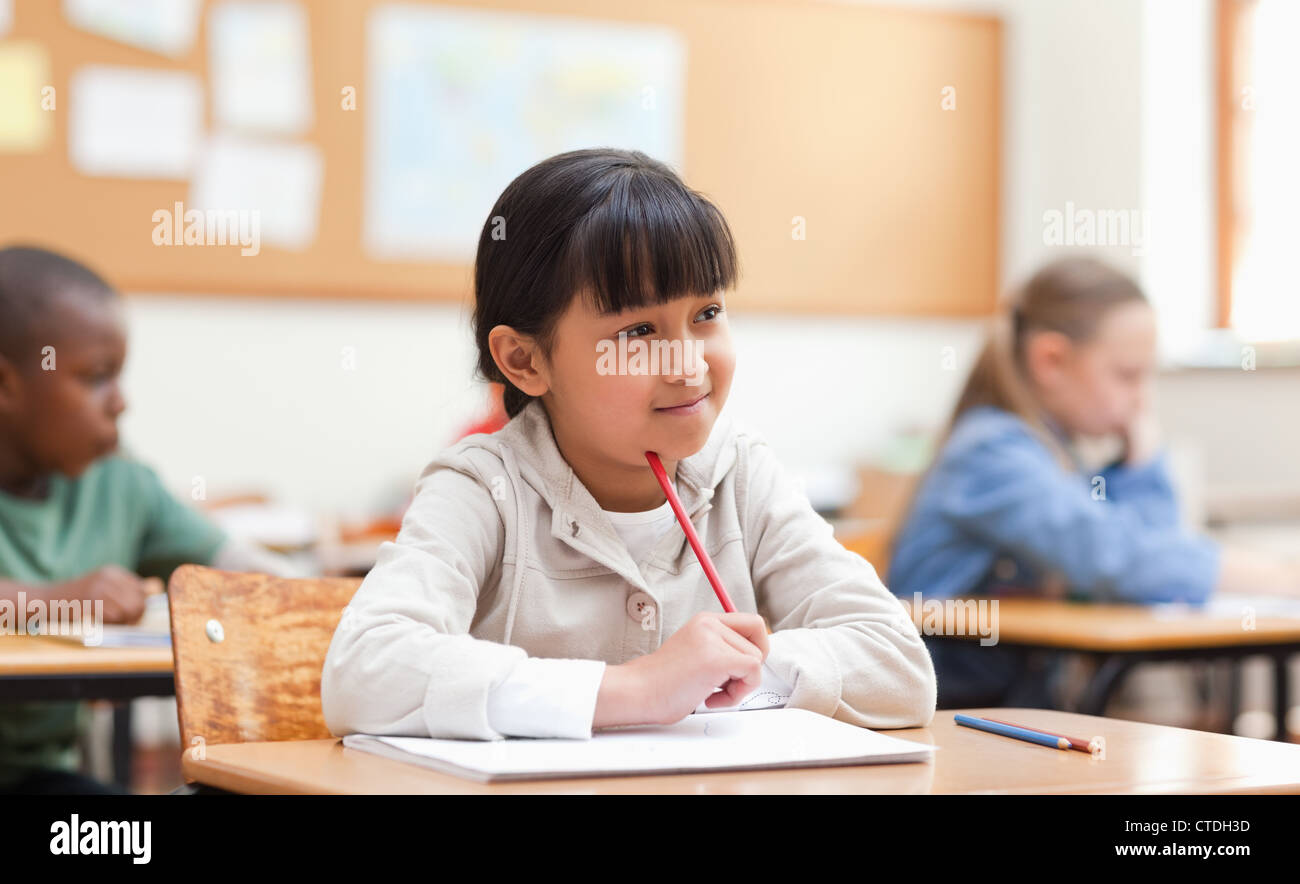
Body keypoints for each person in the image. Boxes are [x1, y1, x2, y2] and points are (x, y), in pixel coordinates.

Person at [321, 148, 936, 740]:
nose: (688, 363)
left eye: (707, 312)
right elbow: (363, 673)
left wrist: (725, 672)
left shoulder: (741, 474)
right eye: (638, 330)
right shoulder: (484, 487)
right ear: (525, 360)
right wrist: (635, 690)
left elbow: (899, 666)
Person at [887, 254, 1300, 709]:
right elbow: (1116, 558)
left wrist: (1141, 464)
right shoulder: (990, 453)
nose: (1142, 400)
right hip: (944, 708)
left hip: (1006, 703)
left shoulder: (1055, 454)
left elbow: (1149, 563)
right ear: (1051, 360)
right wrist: (1274, 576)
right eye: (1127, 376)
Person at [0, 245, 298, 793]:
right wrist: (63, 599)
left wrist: (354, 604)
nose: (120, 402)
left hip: (37, 780)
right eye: (95, 377)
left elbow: (246, 570)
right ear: (6, 384)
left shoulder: (117, 481)